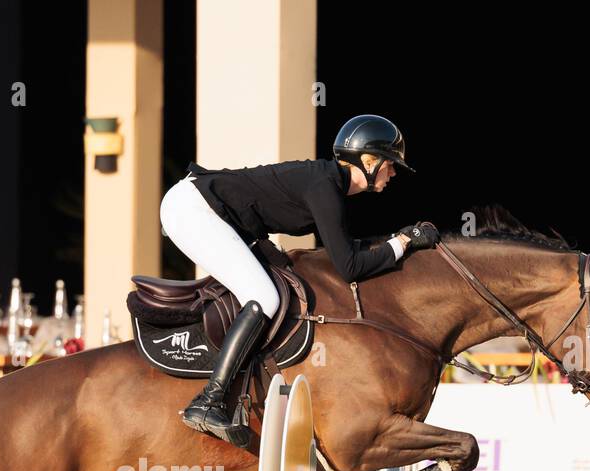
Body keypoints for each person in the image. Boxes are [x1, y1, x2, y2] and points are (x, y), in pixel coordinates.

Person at [160, 114, 438, 444]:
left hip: (208, 212)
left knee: (274, 286)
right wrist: (404, 243)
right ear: (368, 161)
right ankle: (209, 401)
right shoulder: (325, 187)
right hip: (194, 210)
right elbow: (350, 267)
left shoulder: (327, 184)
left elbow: (345, 251)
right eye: (390, 165)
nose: (392, 173)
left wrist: (398, 240)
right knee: (265, 297)